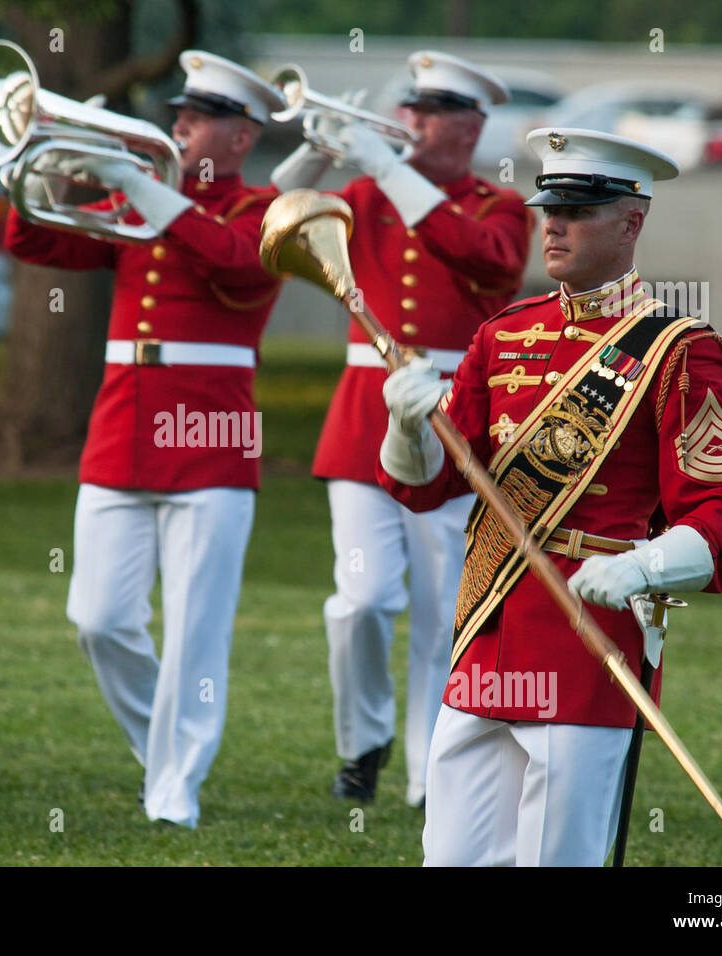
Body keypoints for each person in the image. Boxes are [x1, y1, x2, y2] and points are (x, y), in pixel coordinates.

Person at [375, 128, 722, 865]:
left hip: (589, 643)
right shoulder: (502, 335)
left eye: (578, 210)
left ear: (632, 222)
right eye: (547, 206)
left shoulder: (680, 350)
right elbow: (425, 488)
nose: (551, 224)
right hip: (487, 634)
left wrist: (644, 566)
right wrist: (406, 426)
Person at [4, 51, 286, 828]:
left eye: (197, 118)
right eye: (179, 114)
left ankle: (174, 790)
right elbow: (35, 244)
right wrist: (41, 152)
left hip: (212, 435)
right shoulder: (143, 202)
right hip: (125, 428)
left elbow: (234, 265)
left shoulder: (266, 209)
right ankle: (158, 753)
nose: (178, 125)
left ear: (240, 137)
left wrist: (141, 188)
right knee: (98, 617)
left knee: (196, 629)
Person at [270, 51, 531, 804]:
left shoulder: (497, 204)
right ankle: (363, 741)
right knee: (360, 598)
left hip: (458, 414)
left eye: (431, 109)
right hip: (363, 418)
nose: (410, 119)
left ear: (470, 126)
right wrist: (316, 149)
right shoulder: (365, 189)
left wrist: (386, 166)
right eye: (410, 105)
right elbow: (272, 220)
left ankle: (431, 771)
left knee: (443, 610)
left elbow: (486, 260)